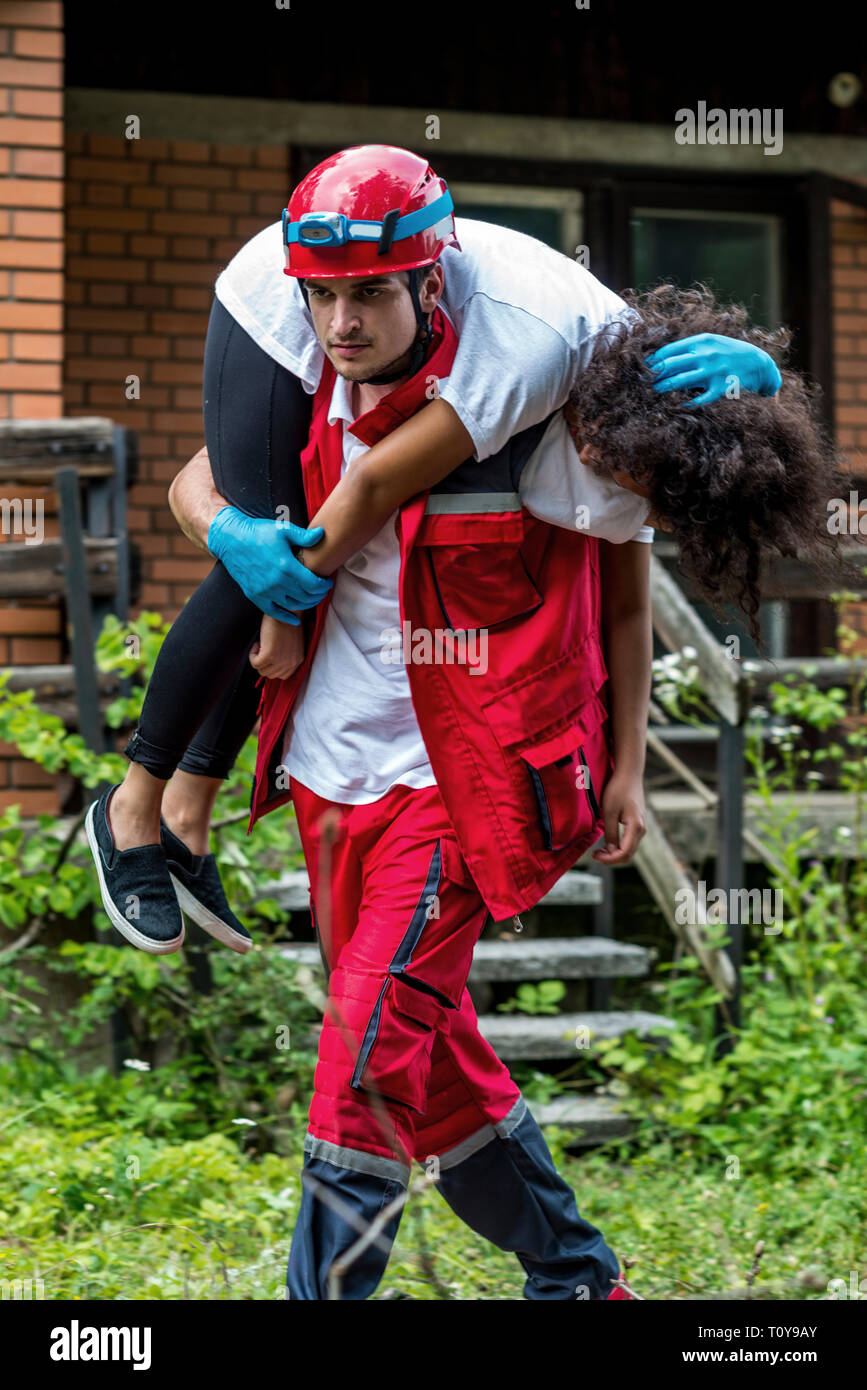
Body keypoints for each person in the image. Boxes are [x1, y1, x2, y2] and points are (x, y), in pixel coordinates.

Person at [167, 160, 841, 1301]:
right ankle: (579, 1276)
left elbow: (624, 589)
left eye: (373, 292)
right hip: (333, 774)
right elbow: (214, 475)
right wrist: (233, 538)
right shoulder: (328, 387)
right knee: (434, 1070)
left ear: (432, 285)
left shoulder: (560, 420)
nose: (343, 319)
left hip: (461, 782)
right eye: (329, 295)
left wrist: (625, 764)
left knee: (368, 1056)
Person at [85, 145, 782, 959]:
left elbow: (627, 596)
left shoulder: (650, 440)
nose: (614, 483)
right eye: (613, 465)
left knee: (281, 562)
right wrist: (276, 600)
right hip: (270, 294)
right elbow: (367, 484)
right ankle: (136, 805)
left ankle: (186, 822)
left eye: (643, 486)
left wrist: (764, 375)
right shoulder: (528, 363)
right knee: (265, 547)